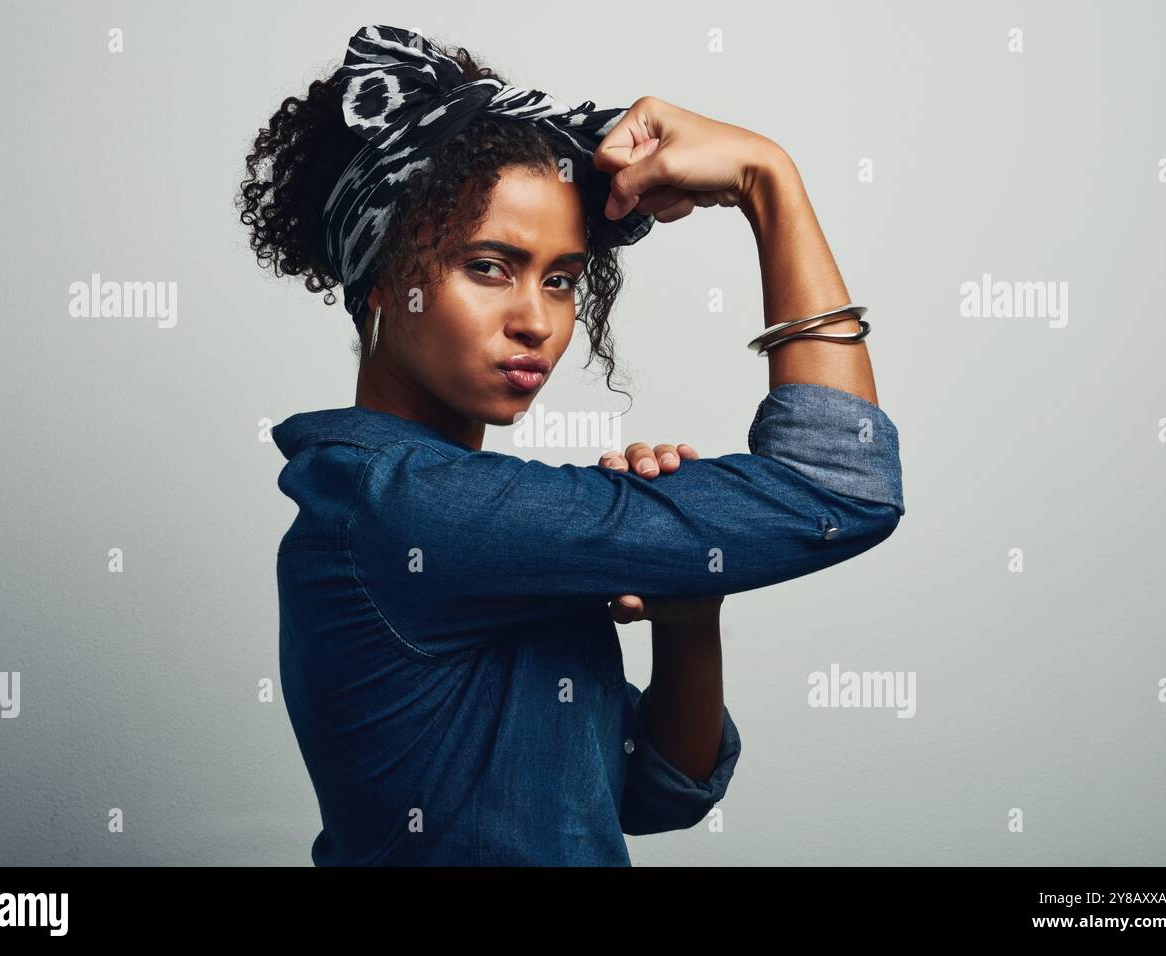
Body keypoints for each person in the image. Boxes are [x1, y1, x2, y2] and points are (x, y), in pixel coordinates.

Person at [237, 24, 905, 865]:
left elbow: (655, 790)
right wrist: (767, 180)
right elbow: (842, 482)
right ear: (380, 281)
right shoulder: (406, 508)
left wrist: (688, 612)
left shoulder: (454, 516)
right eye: (488, 266)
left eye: (560, 279)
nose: (537, 320)